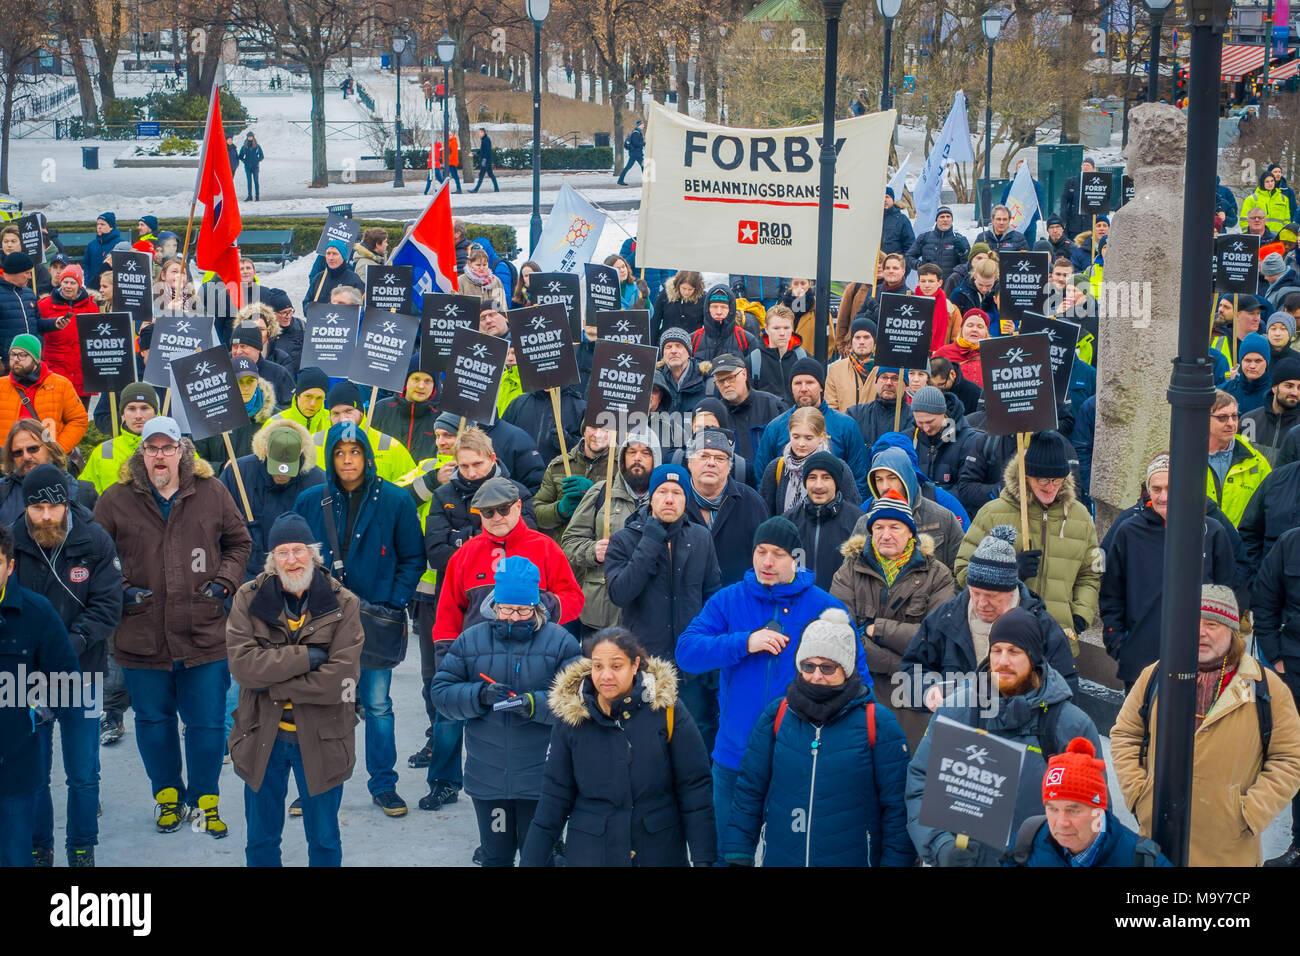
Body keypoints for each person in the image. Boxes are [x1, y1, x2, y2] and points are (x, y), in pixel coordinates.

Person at [92, 416, 251, 837]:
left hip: (203, 632)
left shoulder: (211, 492)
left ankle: (204, 801)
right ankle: (167, 797)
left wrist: (224, 584)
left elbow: (239, 542)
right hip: (142, 634)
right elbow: (94, 554)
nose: (160, 456)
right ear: (141, 453)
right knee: (153, 723)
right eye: (152, 448)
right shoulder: (115, 500)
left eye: (167, 448)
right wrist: (122, 590)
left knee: (207, 724)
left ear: (182, 450)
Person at [676, 516, 866, 854]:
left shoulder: (825, 607)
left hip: (797, 760)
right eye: (760, 551)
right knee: (729, 854)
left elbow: (859, 679)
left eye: (777, 554)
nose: (766, 562)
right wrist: (744, 642)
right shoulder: (730, 600)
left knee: (792, 855)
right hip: (734, 756)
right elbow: (687, 652)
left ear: (795, 558)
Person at [1111, 585, 1300, 867]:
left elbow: (1290, 757)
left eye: (1211, 624)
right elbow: (1125, 734)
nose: (1200, 632)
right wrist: (1140, 794)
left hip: (1228, 852)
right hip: (1159, 842)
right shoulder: (1155, 675)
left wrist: (1250, 812)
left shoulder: (1265, 686)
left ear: (1232, 630)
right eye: (1193, 623)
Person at [293, 423, 424, 818]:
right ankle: (315, 785)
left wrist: (392, 602)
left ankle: (384, 785)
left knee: (378, 705)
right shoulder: (310, 500)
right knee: (320, 705)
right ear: (330, 457)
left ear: (367, 455)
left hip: (374, 620)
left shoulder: (396, 501)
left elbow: (413, 558)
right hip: (319, 623)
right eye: (340, 452)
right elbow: (293, 554)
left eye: (355, 451)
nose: (348, 460)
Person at [905, 607, 1100, 866]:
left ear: (1034, 658)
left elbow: (1094, 813)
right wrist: (941, 847)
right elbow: (920, 784)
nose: (1003, 661)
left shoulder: (1070, 725)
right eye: (996, 650)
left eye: (1014, 651)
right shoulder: (957, 710)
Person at [722, 607, 912, 866]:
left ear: (846, 668)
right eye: (808, 665)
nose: (816, 675)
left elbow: (898, 810)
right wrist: (738, 853)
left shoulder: (878, 723)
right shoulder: (776, 716)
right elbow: (749, 791)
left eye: (828, 667)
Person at [225, 512, 363, 867]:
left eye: (298, 550)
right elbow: (243, 667)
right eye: (282, 552)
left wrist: (273, 682)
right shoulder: (248, 598)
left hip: (322, 738)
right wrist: (307, 658)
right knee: (260, 839)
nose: (292, 559)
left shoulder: (343, 602)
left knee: (324, 839)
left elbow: (342, 678)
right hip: (261, 736)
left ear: (313, 553)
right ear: (271, 560)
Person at [428, 555, 581, 866]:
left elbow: (578, 700)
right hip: (489, 779)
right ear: (494, 604)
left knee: (539, 856)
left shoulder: (561, 641)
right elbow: (441, 693)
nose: (513, 617)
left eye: (523, 610)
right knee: (496, 856)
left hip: (541, 779)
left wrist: (534, 704)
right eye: (506, 609)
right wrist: (479, 695)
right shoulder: (471, 640)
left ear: (536, 606)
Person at [521, 627, 715, 866]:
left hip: (657, 849)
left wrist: (704, 857)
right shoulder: (572, 717)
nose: (605, 676)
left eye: (616, 666)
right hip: (592, 852)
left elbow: (694, 786)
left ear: (634, 666)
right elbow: (554, 796)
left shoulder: (666, 710)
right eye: (598, 666)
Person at [14, 465, 120, 868]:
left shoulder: (94, 540)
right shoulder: (12, 542)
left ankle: (81, 846)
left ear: (67, 503)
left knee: (82, 772)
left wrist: (69, 643)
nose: (45, 516)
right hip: (26, 678)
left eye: (53, 506)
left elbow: (108, 607)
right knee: (34, 773)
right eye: (36, 507)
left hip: (83, 672)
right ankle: (41, 848)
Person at [900, 524, 1079, 712]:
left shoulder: (1042, 625)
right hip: (956, 726)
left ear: (1011, 591)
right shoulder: (945, 617)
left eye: (992, 596)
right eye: (975, 593)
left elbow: (1065, 688)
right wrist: (927, 691)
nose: (981, 603)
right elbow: (911, 669)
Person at [1100, 453, 1237, 688]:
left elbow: (1230, 592)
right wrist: (1117, 642)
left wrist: (1222, 646)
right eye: (1156, 489)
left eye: (1169, 488)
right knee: (1141, 725)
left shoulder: (1211, 531)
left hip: (1200, 661)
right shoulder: (1128, 531)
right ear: (1147, 490)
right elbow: (1112, 593)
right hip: (1141, 662)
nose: (1163, 496)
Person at [955, 430, 1102, 645]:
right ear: (1026, 476)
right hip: (1002, 641)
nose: (1051, 487)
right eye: (1043, 480)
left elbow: (1091, 573)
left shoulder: (1080, 516)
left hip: (1058, 640)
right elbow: (962, 571)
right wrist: (1011, 573)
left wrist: (1080, 616)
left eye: (1057, 480)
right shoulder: (992, 513)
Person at [832, 490, 955, 721]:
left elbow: (935, 640)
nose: (885, 535)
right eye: (879, 527)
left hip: (912, 702)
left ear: (911, 533)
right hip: (859, 695)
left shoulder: (938, 576)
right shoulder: (848, 571)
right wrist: (899, 664)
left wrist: (875, 629)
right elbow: (841, 638)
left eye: (895, 527)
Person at [0, 523, 78, 867]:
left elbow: (66, 678)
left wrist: (34, 708)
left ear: (10, 565)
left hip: (16, 765)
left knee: (16, 853)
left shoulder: (36, 612)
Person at [605, 463, 721, 663]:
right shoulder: (623, 539)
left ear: (686, 499)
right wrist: (649, 542)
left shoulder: (701, 537)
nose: (669, 499)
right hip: (643, 660)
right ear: (651, 497)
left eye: (677, 493)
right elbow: (619, 594)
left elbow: (712, 596)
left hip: (691, 659)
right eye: (662, 492)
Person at [1007, 737, 1171, 867]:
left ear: (1098, 811)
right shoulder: (1028, 837)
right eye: (1053, 809)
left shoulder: (1141, 860)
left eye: (1073, 810)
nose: (1061, 823)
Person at [560, 428, 659, 636]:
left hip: (648, 615)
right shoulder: (601, 492)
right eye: (631, 452)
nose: (637, 459)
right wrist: (593, 551)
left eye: (645, 453)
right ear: (622, 457)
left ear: (656, 458)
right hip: (600, 614)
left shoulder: (666, 498)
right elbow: (568, 543)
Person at [220, 417, 324, 583]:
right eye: (276, 467)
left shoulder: (318, 481)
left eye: (288, 468)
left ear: (301, 453)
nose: (281, 475)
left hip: (297, 581)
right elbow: (218, 524)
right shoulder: (238, 474)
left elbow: (323, 538)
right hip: (244, 580)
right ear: (266, 450)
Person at [753, 357, 870, 498]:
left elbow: (860, 478)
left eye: (810, 382)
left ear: (821, 386)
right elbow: (762, 478)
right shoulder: (776, 427)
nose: (803, 388)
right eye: (797, 383)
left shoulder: (846, 426)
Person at [683, 428, 770, 587]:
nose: (711, 463)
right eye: (704, 456)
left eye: (720, 458)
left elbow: (766, 557)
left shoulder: (752, 503)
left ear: (729, 467)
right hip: (687, 604)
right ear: (689, 462)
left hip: (736, 603)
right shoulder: (675, 500)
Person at [307, 382, 417, 484]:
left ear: (361, 411)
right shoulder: (312, 443)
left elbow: (408, 487)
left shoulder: (390, 446)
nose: (343, 419)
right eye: (336, 413)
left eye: (348, 411)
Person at [758, 408, 859, 517]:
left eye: (808, 438)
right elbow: (765, 513)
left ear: (821, 437)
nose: (801, 443)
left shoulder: (839, 468)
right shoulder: (776, 468)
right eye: (796, 437)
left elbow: (852, 513)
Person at [0, 334, 86, 457]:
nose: (16, 359)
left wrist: (58, 450)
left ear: (36, 358)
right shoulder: (1, 386)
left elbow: (78, 420)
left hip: (47, 461)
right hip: (9, 462)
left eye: (23, 355)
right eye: (13, 354)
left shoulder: (60, 384)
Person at [0, 420, 96, 525]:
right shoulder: (2, 492)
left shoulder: (83, 492)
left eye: (33, 449)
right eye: (18, 452)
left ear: (49, 448)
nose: (26, 457)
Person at [532, 425, 609, 542]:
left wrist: (595, 493)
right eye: (593, 427)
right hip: (564, 552)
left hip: (604, 552)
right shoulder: (558, 466)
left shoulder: (623, 467)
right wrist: (559, 510)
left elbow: (628, 516)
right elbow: (537, 513)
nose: (598, 435)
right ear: (583, 430)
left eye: (605, 429)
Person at [1206, 389, 1270, 525]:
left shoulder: (1256, 461)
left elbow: (1270, 507)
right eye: (1222, 417)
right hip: (1197, 541)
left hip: (1241, 543)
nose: (1231, 423)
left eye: (1234, 416)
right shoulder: (1186, 458)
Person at [709, 352, 786, 463]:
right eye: (720, 381)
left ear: (744, 374)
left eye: (731, 378)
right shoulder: (715, 415)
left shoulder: (772, 405)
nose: (726, 384)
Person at [36, 264, 97, 400]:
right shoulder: (44, 305)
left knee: (80, 414)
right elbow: (37, 330)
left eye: (72, 283)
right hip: (54, 367)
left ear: (79, 285)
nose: (68, 286)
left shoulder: (91, 307)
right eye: (65, 282)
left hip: (81, 370)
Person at [911, 384, 979, 498]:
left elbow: (966, 489)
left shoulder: (969, 440)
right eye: (920, 423)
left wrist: (932, 497)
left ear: (943, 413)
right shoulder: (910, 438)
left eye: (930, 421)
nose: (926, 428)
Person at [370, 360, 440, 461]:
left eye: (427, 381)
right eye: (416, 379)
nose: (421, 386)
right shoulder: (382, 408)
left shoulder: (441, 417)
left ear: (434, 386)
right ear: (406, 381)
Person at [1241, 353, 1300, 464]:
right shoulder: (1248, 421)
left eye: (1299, 387)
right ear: (1274, 388)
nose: (1295, 392)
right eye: (1289, 386)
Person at [847, 367, 915, 454]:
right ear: (876, 382)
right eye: (884, 377)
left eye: (896, 379)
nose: (889, 383)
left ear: (906, 386)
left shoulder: (914, 419)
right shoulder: (855, 414)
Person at [230, 317, 295, 407]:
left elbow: (290, 407)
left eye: (243, 346)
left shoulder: (278, 373)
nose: (238, 351)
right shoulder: (224, 372)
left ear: (258, 349)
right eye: (235, 346)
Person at [825, 317, 878, 411]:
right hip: (845, 425)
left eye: (866, 337)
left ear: (874, 340)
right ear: (851, 341)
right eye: (857, 337)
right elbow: (831, 407)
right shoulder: (836, 370)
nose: (861, 342)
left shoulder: (884, 369)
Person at [263, 367, 330, 435]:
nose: (313, 404)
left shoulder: (333, 421)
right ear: (298, 395)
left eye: (319, 398)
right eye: (308, 396)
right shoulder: (276, 423)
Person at [906, 206, 970, 277]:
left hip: (951, 284)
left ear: (952, 220)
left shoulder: (960, 239)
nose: (945, 220)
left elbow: (968, 264)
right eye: (942, 217)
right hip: (929, 282)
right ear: (936, 220)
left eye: (948, 217)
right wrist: (921, 266)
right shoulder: (924, 237)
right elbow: (909, 257)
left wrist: (963, 253)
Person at [657, 327, 709, 412]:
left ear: (689, 353)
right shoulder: (655, 382)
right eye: (668, 347)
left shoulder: (706, 379)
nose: (673, 351)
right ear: (663, 355)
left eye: (679, 346)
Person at [1222, 332, 1273, 415]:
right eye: (1248, 360)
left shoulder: (1274, 393)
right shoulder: (1226, 391)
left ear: (1267, 363)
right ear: (1241, 362)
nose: (1252, 366)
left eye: (1258, 361)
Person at [302, 240, 363, 311]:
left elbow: (360, 307)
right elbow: (306, 303)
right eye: (328, 253)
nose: (331, 258)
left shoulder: (353, 279)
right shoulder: (319, 278)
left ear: (343, 257)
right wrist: (312, 311)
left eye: (335, 254)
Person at [653, 270, 706, 342]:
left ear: (696, 288)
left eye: (690, 289)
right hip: (667, 341)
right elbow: (655, 321)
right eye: (683, 288)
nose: (686, 292)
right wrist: (652, 344)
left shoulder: (703, 298)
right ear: (678, 285)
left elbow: (707, 324)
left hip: (692, 342)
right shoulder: (665, 295)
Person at [1241, 170, 1291, 235]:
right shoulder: (1251, 199)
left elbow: (1287, 220)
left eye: (1272, 181)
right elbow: (1244, 220)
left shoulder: (1284, 199)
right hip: (1258, 237)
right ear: (1262, 183)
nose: (1270, 184)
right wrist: (1249, 235)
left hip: (1278, 238)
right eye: (1267, 182)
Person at [458, 243, 506, 310]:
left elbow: (502, 305)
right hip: (471, 318)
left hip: (491, 319)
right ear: (469, 264)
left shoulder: (496, 281)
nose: (481, 268)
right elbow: (458, 306)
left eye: (484, 265)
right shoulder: (461, 281)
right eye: (478, 265)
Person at [80, 213, 122, 285]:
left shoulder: (120, 244)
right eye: (98, 224)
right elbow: (86, 264)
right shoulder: (91, 245)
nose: (99, 227)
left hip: (111, 286)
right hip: (92, 285)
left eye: (102, 224)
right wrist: (87, 281)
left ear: (111, 227)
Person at [1060, 158, 1096, 238]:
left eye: (1088, 165)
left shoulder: (1097, 183)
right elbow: (1064, 199)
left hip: (1090, 223)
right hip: (1074, 222)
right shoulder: (1072, 182)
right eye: (1084, 165)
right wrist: (1064, 214)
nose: (1085, 167)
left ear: (1093, 168)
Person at [880, 186, 915, 256]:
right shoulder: (871, 219)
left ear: (893, 199)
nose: (884, 199)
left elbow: (910, 245)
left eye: (887, 197)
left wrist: (905, 265)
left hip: (894, 264)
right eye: (881, 196)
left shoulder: (902, 219)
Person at [470, 128, 499, 192]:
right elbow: (482, 150)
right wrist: (476, 153)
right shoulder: (484, 139)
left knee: (481, 174)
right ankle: (496, 188)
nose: (479, 134)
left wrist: (484, 160)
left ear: (483, 133)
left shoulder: (486, 140)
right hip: (487, 160)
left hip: (486, 160)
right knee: (491, 174)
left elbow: (487, 151)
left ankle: (476, 190)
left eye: (480, 133)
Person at [617, 119, 644, 185]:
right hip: (635, 154)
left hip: (636, 153)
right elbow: (636, 143)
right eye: (642, 125)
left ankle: (620, 180)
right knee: (630, 167)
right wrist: (643, 143)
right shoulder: (636, 133)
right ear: (639, 125)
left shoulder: (637, 132)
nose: (643, 126)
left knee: (643, 166)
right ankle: (620, 181)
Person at [238, 132, 264, 202]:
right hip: (247, 167)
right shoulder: (244, 146)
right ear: (247, 137)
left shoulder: (257, 146)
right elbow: (240, 156)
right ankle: (250, 196)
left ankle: (257, 196)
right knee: (249, 181)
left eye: (251, 136)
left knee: (256, 181)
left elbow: (261, 156)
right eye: (249, 136)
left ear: (253, 137)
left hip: (255, 167)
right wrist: (244, 161)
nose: (250, 137)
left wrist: (257, 160)